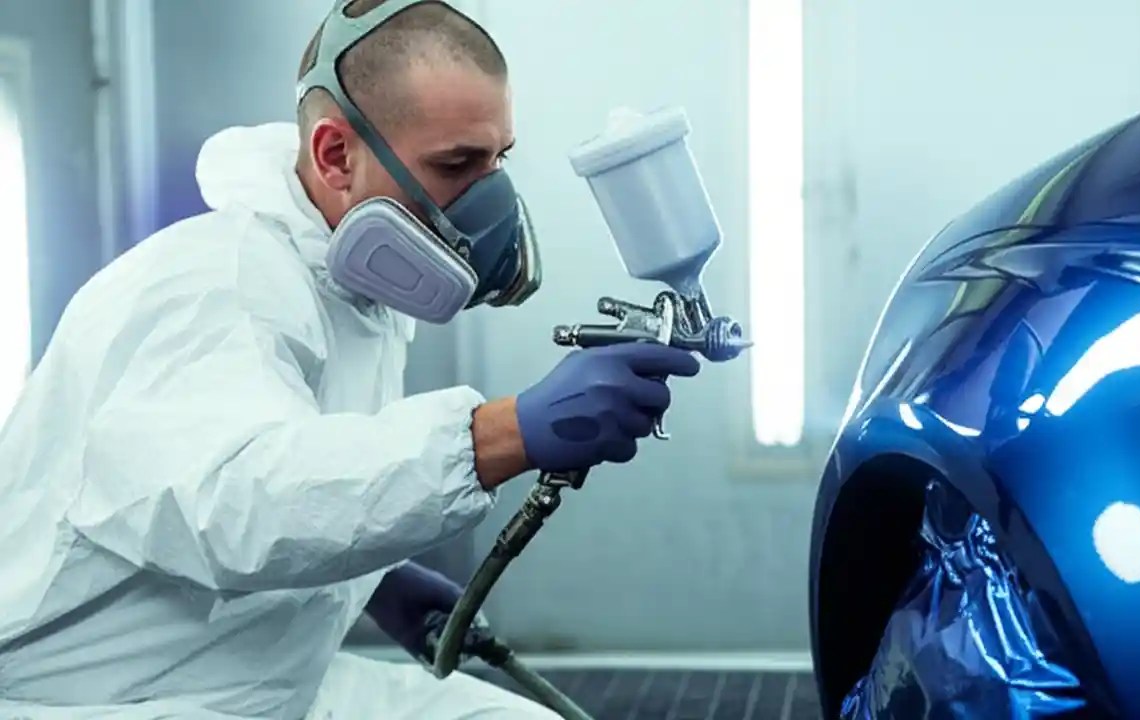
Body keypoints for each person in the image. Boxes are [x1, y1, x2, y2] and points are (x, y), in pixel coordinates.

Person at [0, 1, 698, 718]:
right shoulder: (217, 285)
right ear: (337, 155)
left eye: (498, 160)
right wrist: (503, 433)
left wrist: (377, 579)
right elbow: (238, 505)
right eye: (457, 164)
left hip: (255, 676)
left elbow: (306, 456)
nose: (491, 200)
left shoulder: (354, 290)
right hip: (106, 699)